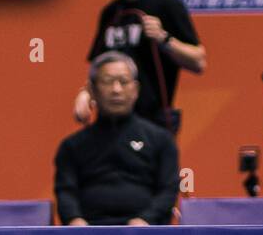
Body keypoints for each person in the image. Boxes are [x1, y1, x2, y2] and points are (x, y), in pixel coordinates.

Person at [72, 0, 205, 133]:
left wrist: (164, 39)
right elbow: (99, 66)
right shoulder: (111, 13)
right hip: (111, 130)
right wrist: (86, 94)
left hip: (153, 129)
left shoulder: (164, 4)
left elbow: (198, 61)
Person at [55, 51, 178, 226]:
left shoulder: (161, 140)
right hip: (88, 234)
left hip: (145, 232)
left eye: (123, 82)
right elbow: (66, 192)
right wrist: (75, 221)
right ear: (92, 90)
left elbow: (168, 190)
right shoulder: (72, 146)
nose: (116, 89)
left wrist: (146, 220)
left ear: (135, 89)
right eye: (107, 81)